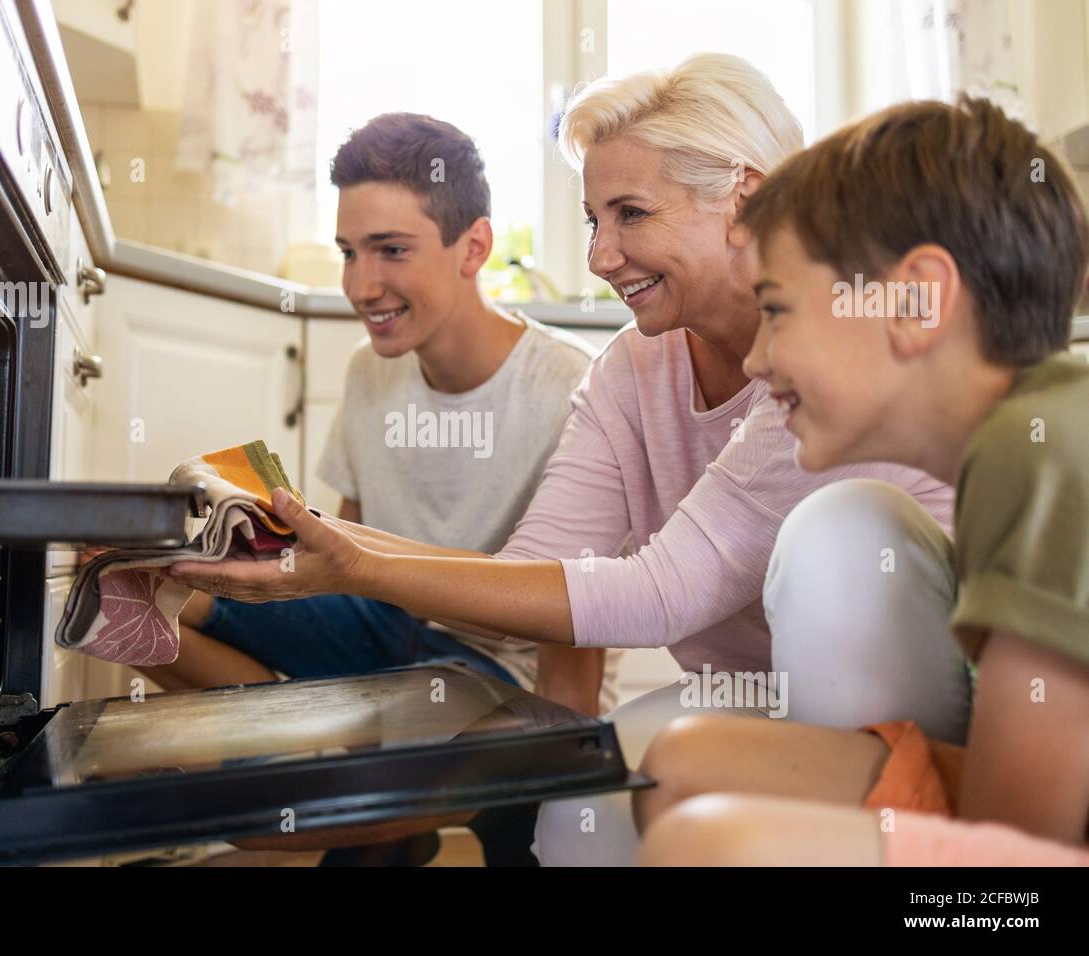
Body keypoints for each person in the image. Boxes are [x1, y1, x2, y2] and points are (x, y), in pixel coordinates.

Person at [169, 55, 966, 866]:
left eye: (630, 214)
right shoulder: (632, 370)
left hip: (912, 713)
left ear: (746, 200)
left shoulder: (819, 355)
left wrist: (352, 568)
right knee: (584, 812)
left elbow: (658, 593)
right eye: (593, 220)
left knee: (840, 531)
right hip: (758, 700)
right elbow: (537, 574)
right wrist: (339, 554)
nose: (600, 255)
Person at [635, 95, 1089, 866]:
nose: (754, 360)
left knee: (708, 842)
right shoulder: (1025, 437)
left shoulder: (1039, 450)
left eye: (776, 310)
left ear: (915, 302)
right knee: (679, 766)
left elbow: (1018, 853)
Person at [141, 112, 600, 706]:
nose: (360, 287)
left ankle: (312, 738)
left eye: (391, 250)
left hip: (500, 663)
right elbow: (339, 554)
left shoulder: (571, 386)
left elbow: (579, 621)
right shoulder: (368, 370)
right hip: (382, 624)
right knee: (150, 584)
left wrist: (566, 777)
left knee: (401, 719)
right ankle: (277, 738)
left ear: (475, 247)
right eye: (349, 253)